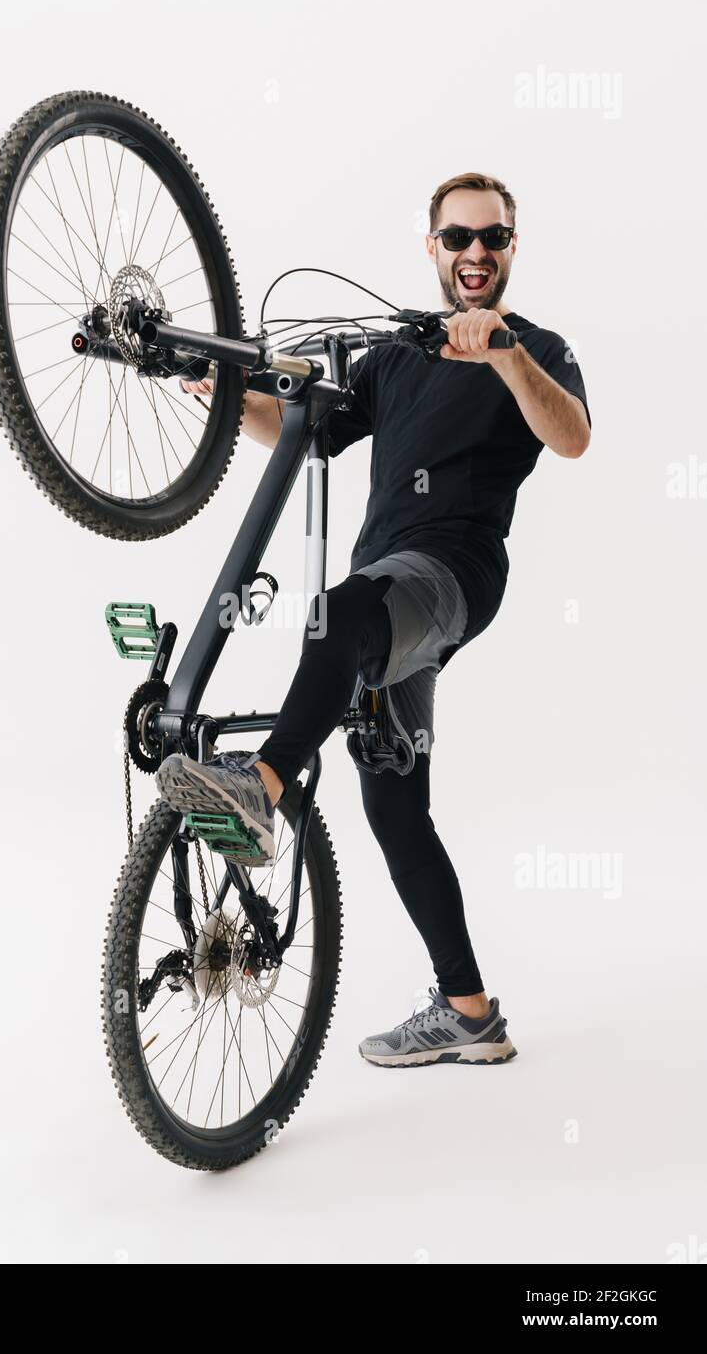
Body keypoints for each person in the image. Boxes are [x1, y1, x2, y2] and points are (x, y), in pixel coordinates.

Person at [155, 172, 591, 1067]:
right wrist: (225, 395)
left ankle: (263, 783)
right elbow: (305, 430)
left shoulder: (534, 345)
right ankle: (470, 1016)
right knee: (392, 801)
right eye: (459, 238)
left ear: (512, 249)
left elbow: (572, 435)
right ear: (430, 248)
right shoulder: (392, 359)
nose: (476, 254)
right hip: (388, 590)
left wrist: (502, 353)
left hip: (451, 575)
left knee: (340, 614)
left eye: (493, 239)